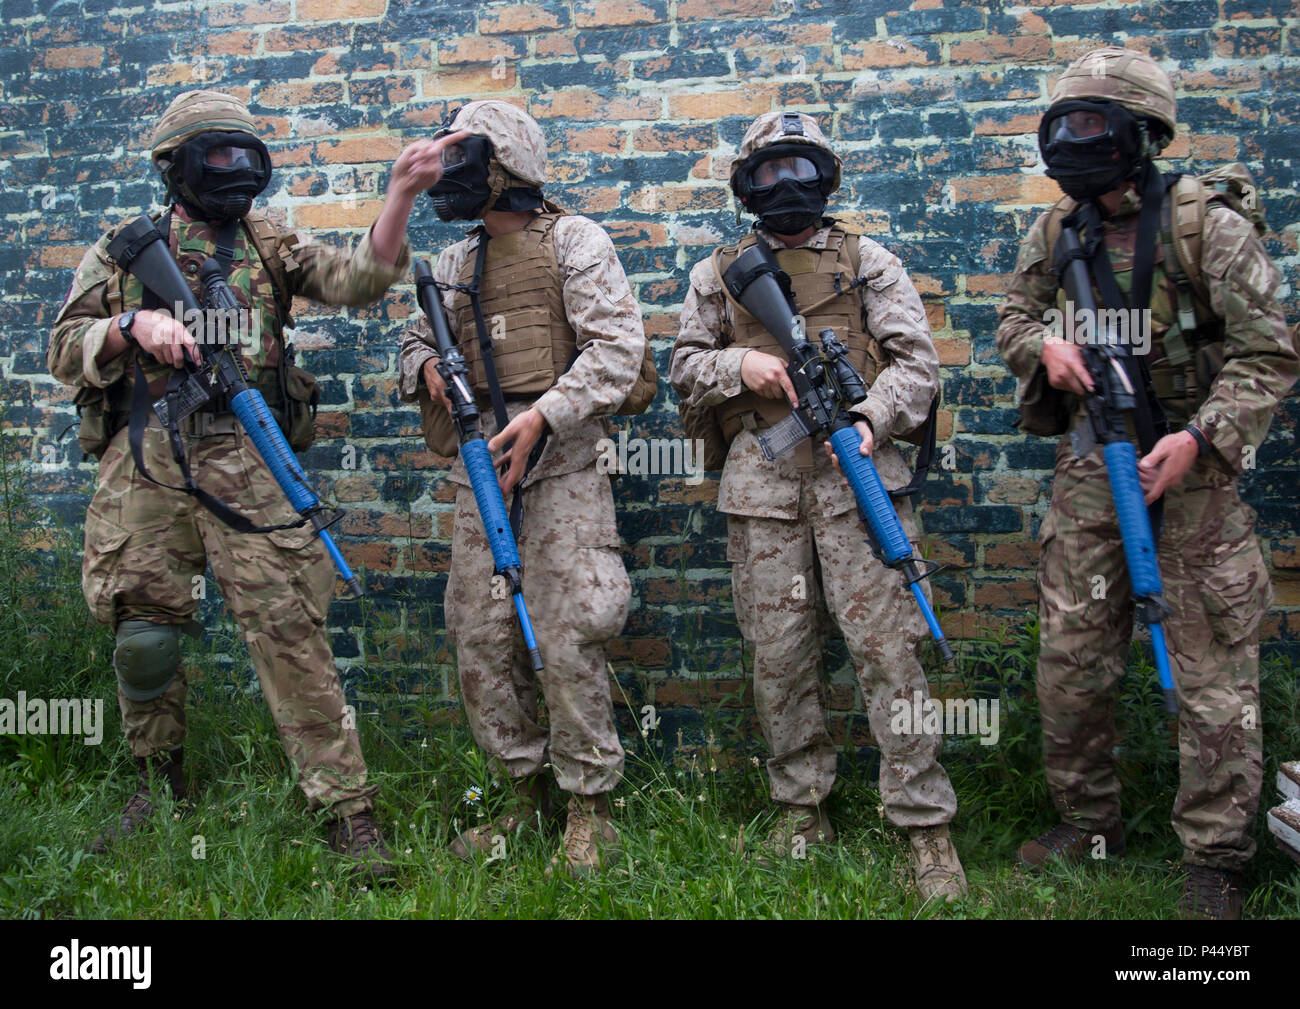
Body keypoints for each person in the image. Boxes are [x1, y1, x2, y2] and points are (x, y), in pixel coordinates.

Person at [48, 88, 458, 878]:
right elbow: (63, 347)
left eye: (247, 156)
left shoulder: (269, 243)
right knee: (143, 635)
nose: (236, 173)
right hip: (147, 461)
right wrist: (130, 326)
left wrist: (402, 194)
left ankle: (347, 811)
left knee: (289, 629)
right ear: (177, 166)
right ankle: (155, 786)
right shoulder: (124, 249)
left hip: (249, 457)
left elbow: (360, 279)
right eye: (218, 157)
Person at [996, 47, 1299, 919]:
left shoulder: (1207, 227)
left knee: (1211, 676)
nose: (1075, 141)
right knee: (1071, 659)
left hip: (1191, 470)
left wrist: (1201, 438)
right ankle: (1088, 823)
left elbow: (1268, 352)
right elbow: (1015, 315)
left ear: (1145, 134)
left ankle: (1215, 858)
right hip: (1095, 464)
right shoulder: (1057, 231)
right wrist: (1041, 349)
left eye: (1094, 124)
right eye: (1065, 125)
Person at [669, 110, 966, 902]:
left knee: (890, 653)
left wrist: (869, 419)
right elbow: (683, 368)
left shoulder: (869, 263)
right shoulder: (719, 273)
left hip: (857, 481)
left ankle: (924, 826)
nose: (785, 185)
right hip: (764, 492)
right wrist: (745, 369)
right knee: (781, 656)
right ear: (745, 185)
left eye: (799, 168)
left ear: (825, 177)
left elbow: (917, 365)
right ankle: (800, 810)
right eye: (767, 171)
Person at [398, 100, 652, 876]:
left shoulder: (573, 241)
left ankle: (589, 807)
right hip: (484, 474)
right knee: (477, 633)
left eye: (461, 159)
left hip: (564, 467)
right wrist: (426, 368)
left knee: (571, 630)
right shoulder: (453, 265)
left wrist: (545, 414)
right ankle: (523, 793)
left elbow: (618, 350)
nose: (447, 175)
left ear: (504, 166)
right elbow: (412, 337)